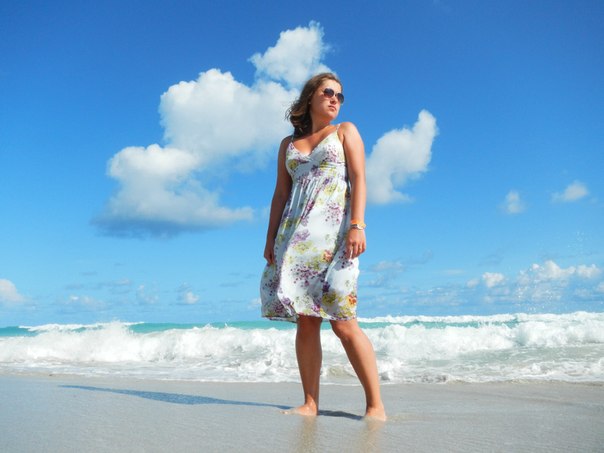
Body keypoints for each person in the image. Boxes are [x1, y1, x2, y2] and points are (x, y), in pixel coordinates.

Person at [260, 72, 386, 421]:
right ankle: (309, 403)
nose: (335, 99)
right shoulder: (287, 145)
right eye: (328, 92)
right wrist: (270, 240)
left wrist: (358, 225)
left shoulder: (345, 131)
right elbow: (280, 194)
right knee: (306, 322)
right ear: (310, 98)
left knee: (343, 322)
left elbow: (359, 178)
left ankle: (375, 406)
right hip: (295, 241)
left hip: (336, 240)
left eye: (340, 96)